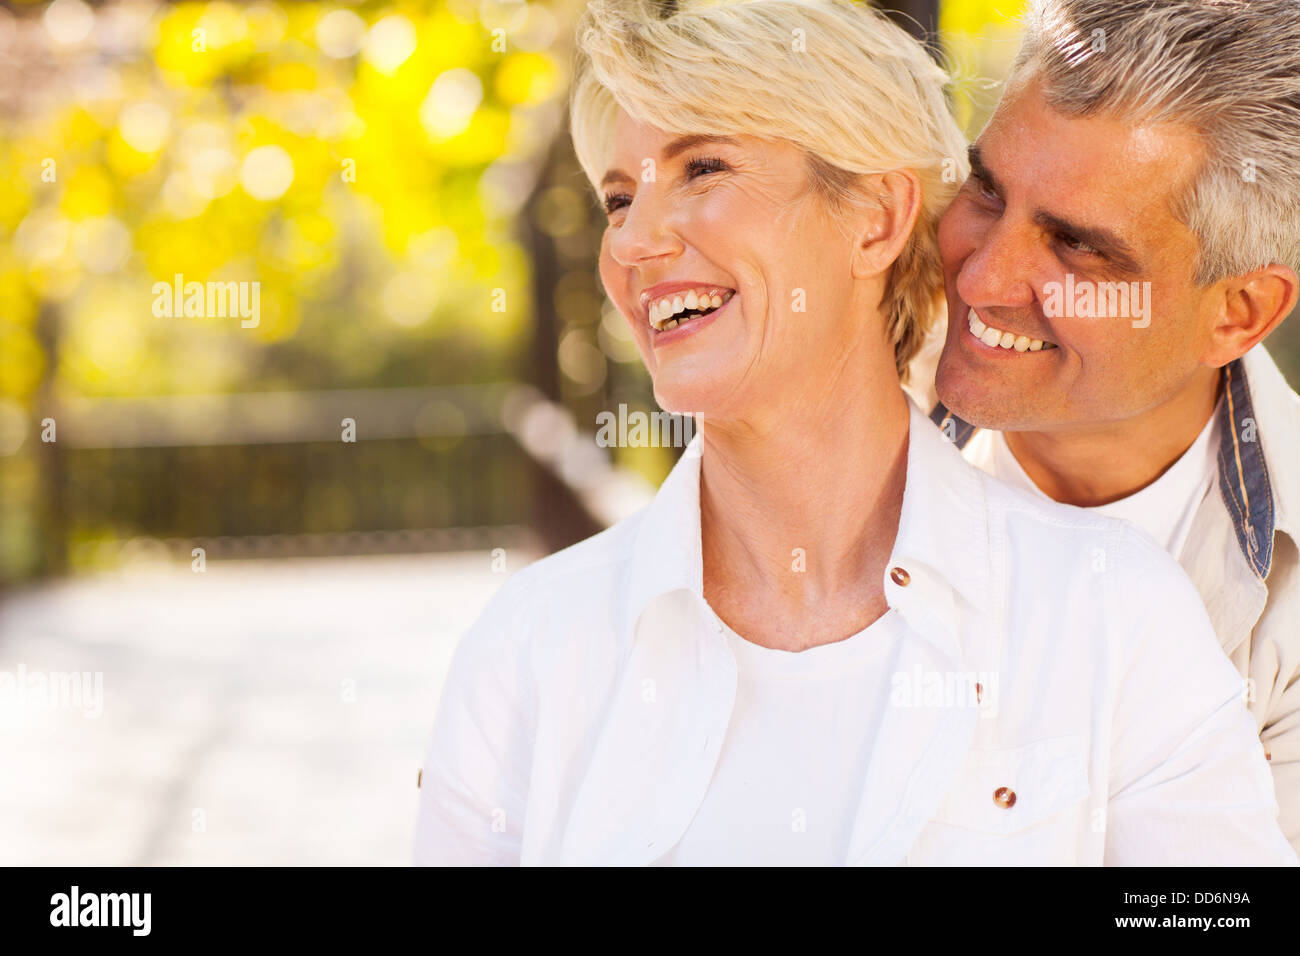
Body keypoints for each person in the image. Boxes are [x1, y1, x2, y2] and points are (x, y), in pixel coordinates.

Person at [414, 0, 1294, 865]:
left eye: (706, 168)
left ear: (875, 216)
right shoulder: (528, 646)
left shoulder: (1122, 612)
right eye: (616, 198)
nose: (634, 241)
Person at [925, 0, 1300, 852]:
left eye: (1079, 248)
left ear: (1239, 312)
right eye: (987, 189)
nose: (982, 279)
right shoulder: (838, 403)